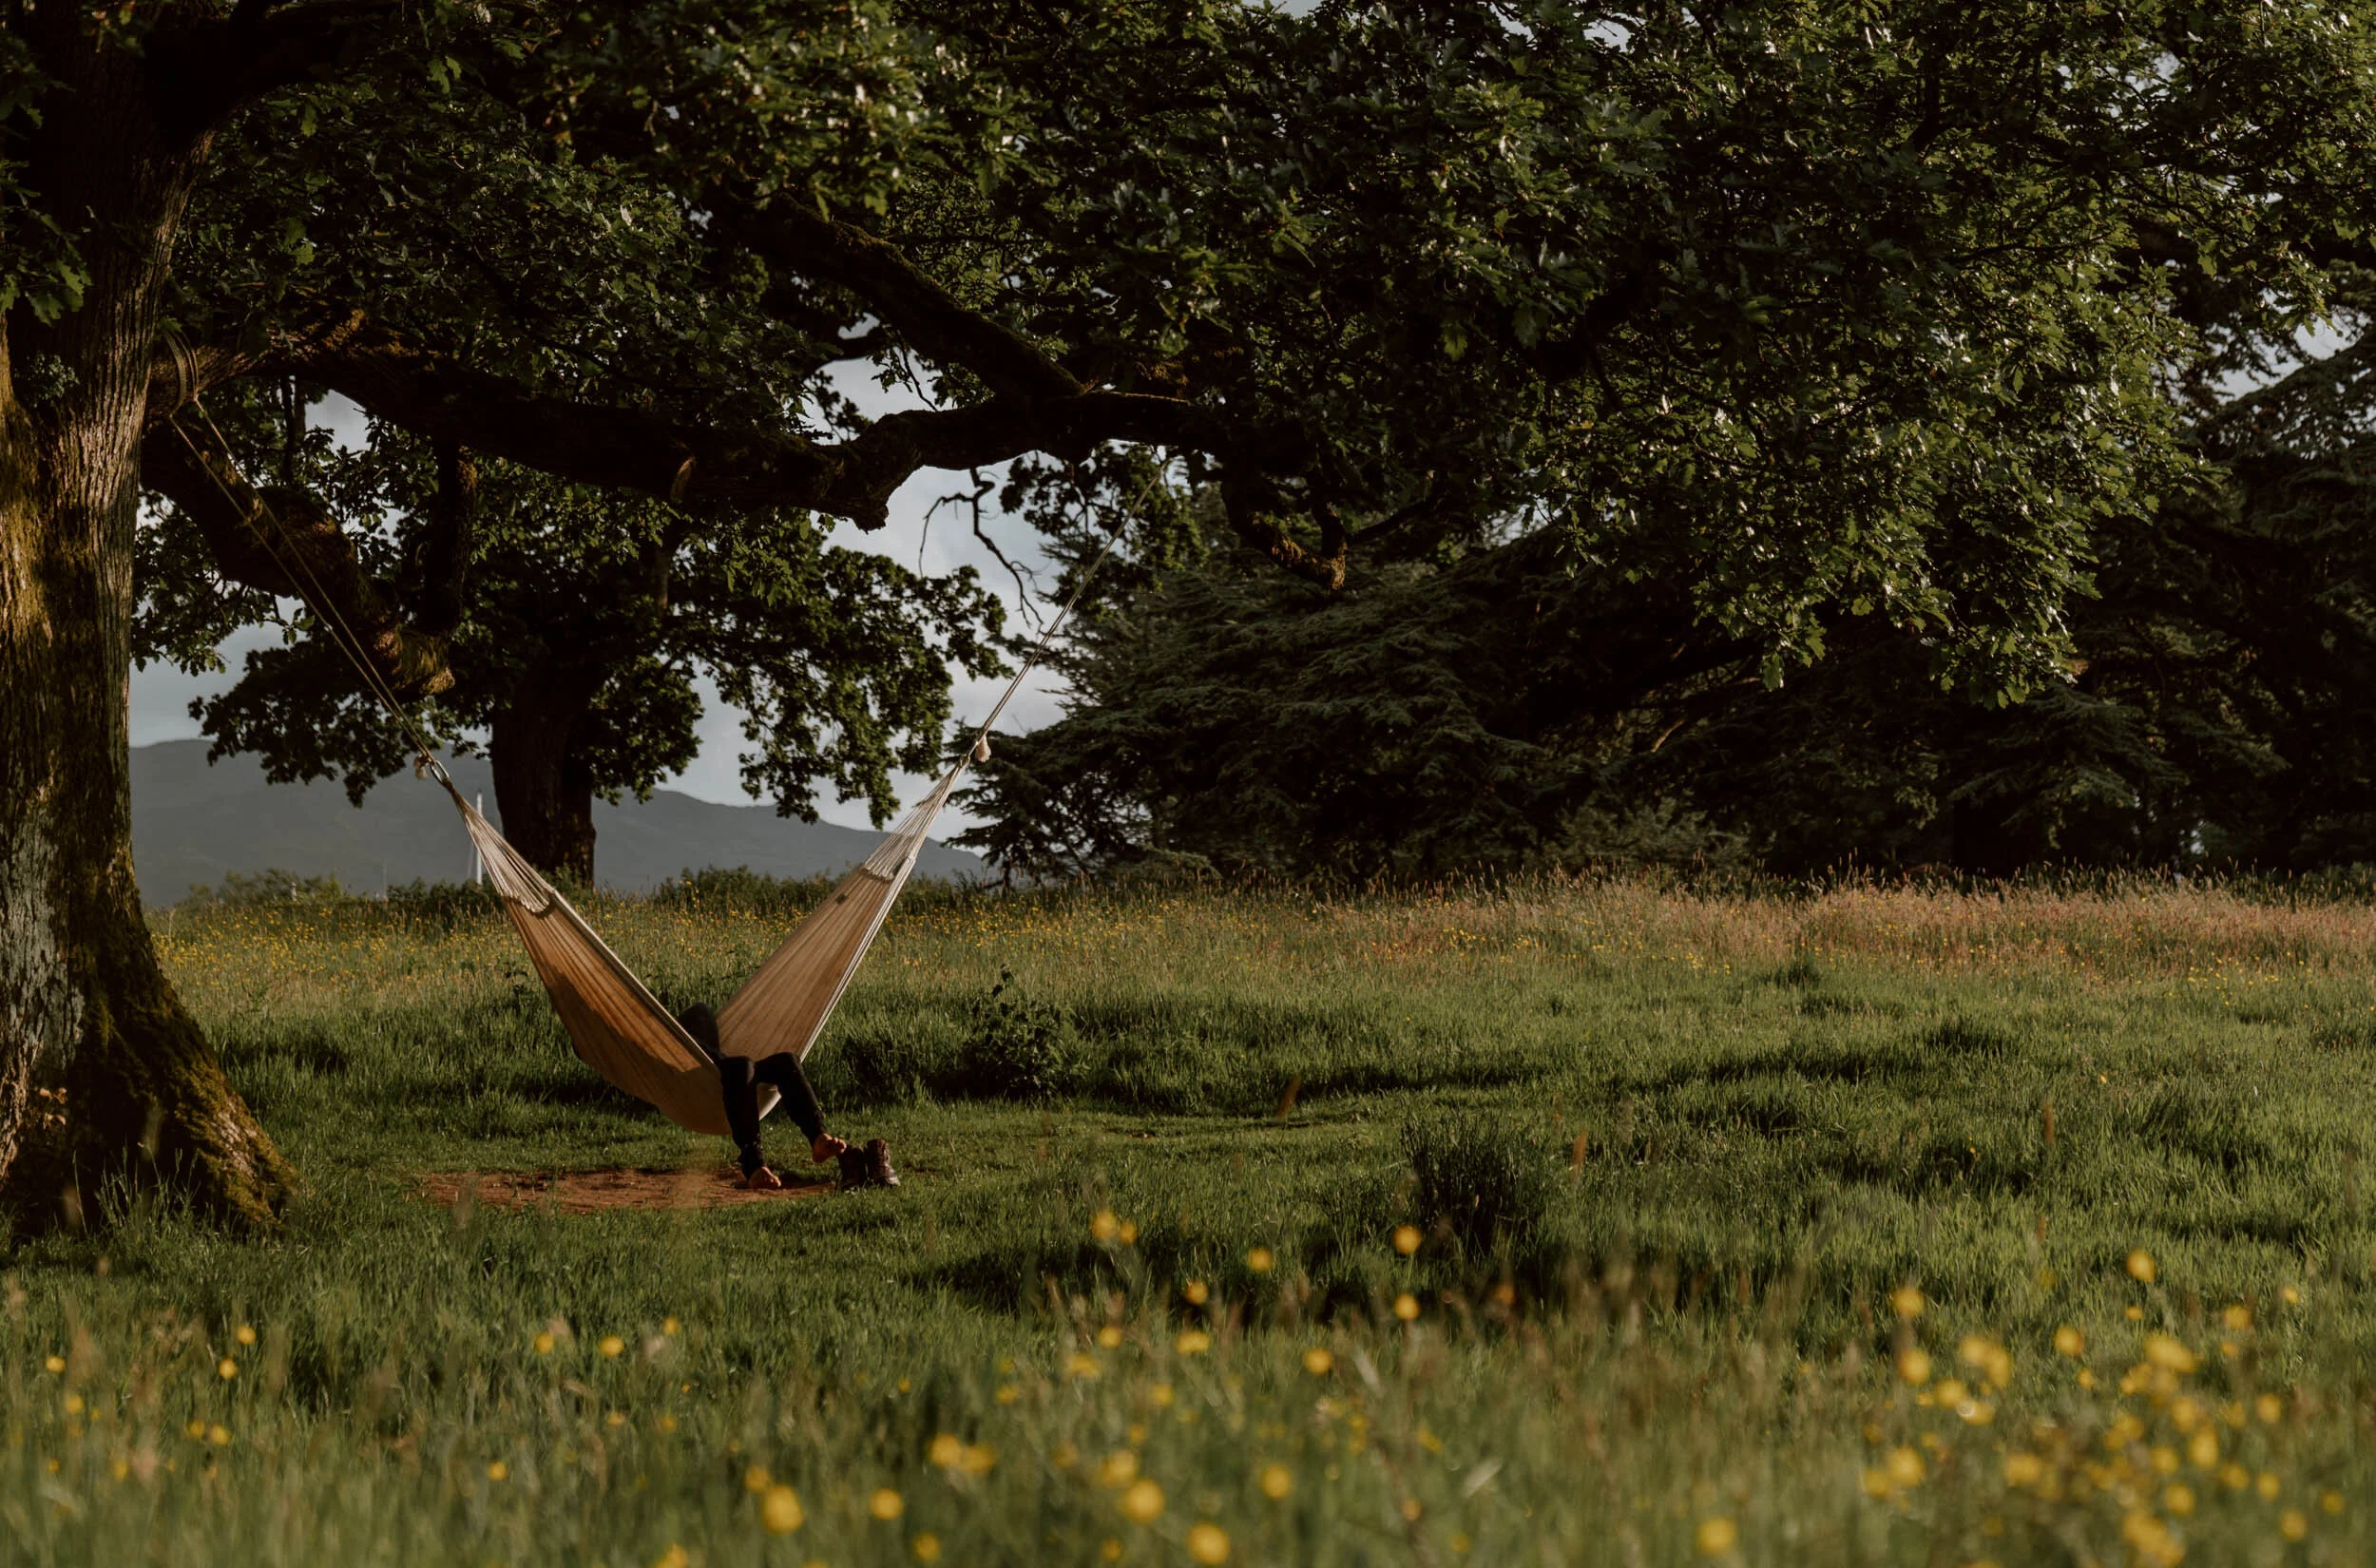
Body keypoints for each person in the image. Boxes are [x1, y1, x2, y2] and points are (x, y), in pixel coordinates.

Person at [677, 1002, 843, 1189]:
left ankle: (818, 1136)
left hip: (723, 1069)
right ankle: (754, 1165)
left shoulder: (699, 1023)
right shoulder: (675, 1041)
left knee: (786, 1061)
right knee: (742, 1066)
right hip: (700, 1078)